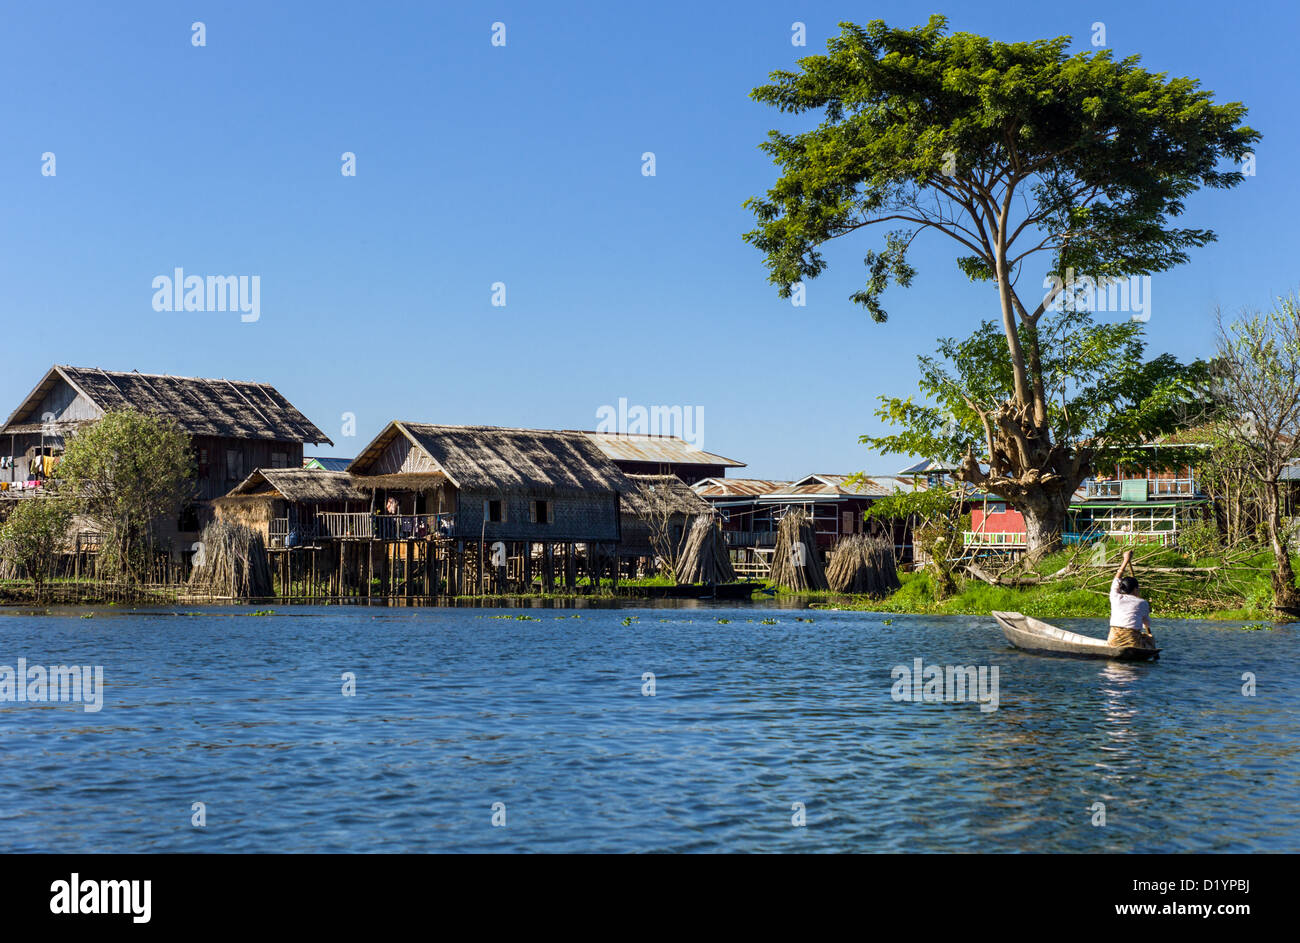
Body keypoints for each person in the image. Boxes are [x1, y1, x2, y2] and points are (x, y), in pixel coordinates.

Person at [1109, 548, 1155, 649]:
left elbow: (1116, 579)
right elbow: (1146, 624)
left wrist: (1125, 560)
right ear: (1135, 589)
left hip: (1113, 641)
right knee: (1150, 639)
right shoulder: (1143, 603)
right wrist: (1150, 637)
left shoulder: (1115, 597)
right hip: (1133, 643)